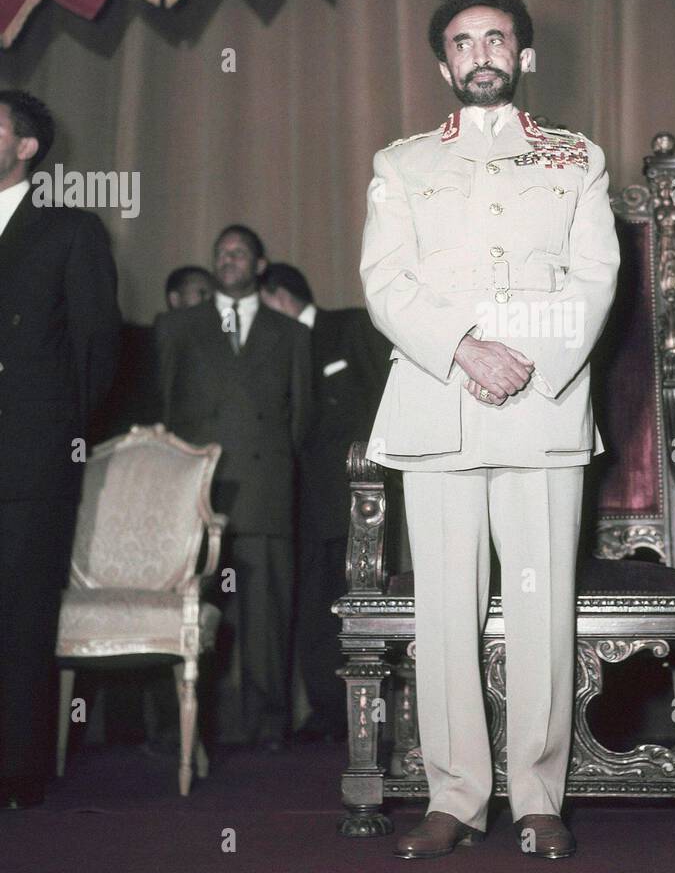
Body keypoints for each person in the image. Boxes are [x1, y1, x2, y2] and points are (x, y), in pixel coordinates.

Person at [360, 0, 620, 859]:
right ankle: (455, 797)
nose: (480, 53)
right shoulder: (401, 164)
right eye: (463, 42)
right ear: (443, 63)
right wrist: (466, 350)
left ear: (524, 54)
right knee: (444, 608)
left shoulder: (576, 159)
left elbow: (592, 281)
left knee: (543, 606)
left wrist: (525, 363)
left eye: (496, 39)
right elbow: (385, 283)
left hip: (541, 409)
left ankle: (539, 797)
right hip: (438, 405)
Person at [0, 90, 121, 808]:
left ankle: (16, 770)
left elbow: (97, 346)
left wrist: (59, 432)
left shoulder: (68, 229)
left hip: (31, 453)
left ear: (25, 149)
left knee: (20, 610)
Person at [154, 225, 312, 748]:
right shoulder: (177, 327)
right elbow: (166, 410)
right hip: (198, 495)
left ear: (259, 265)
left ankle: (268, 729)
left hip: (266, 494)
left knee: (267, 616)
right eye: (221, 252)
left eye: (239, 252)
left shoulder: (291, 335)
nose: (228, 259)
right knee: (199, 614)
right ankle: (200, 730)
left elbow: (301, 422)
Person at [260, 262, 391, 743]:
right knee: (315, 609)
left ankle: (379, 722)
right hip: (302, 504)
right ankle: (328, 715)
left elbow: (384, 397)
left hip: (360, 501)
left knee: (367, 605)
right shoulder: (272, 347)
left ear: (279, 294)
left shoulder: (348, 325)